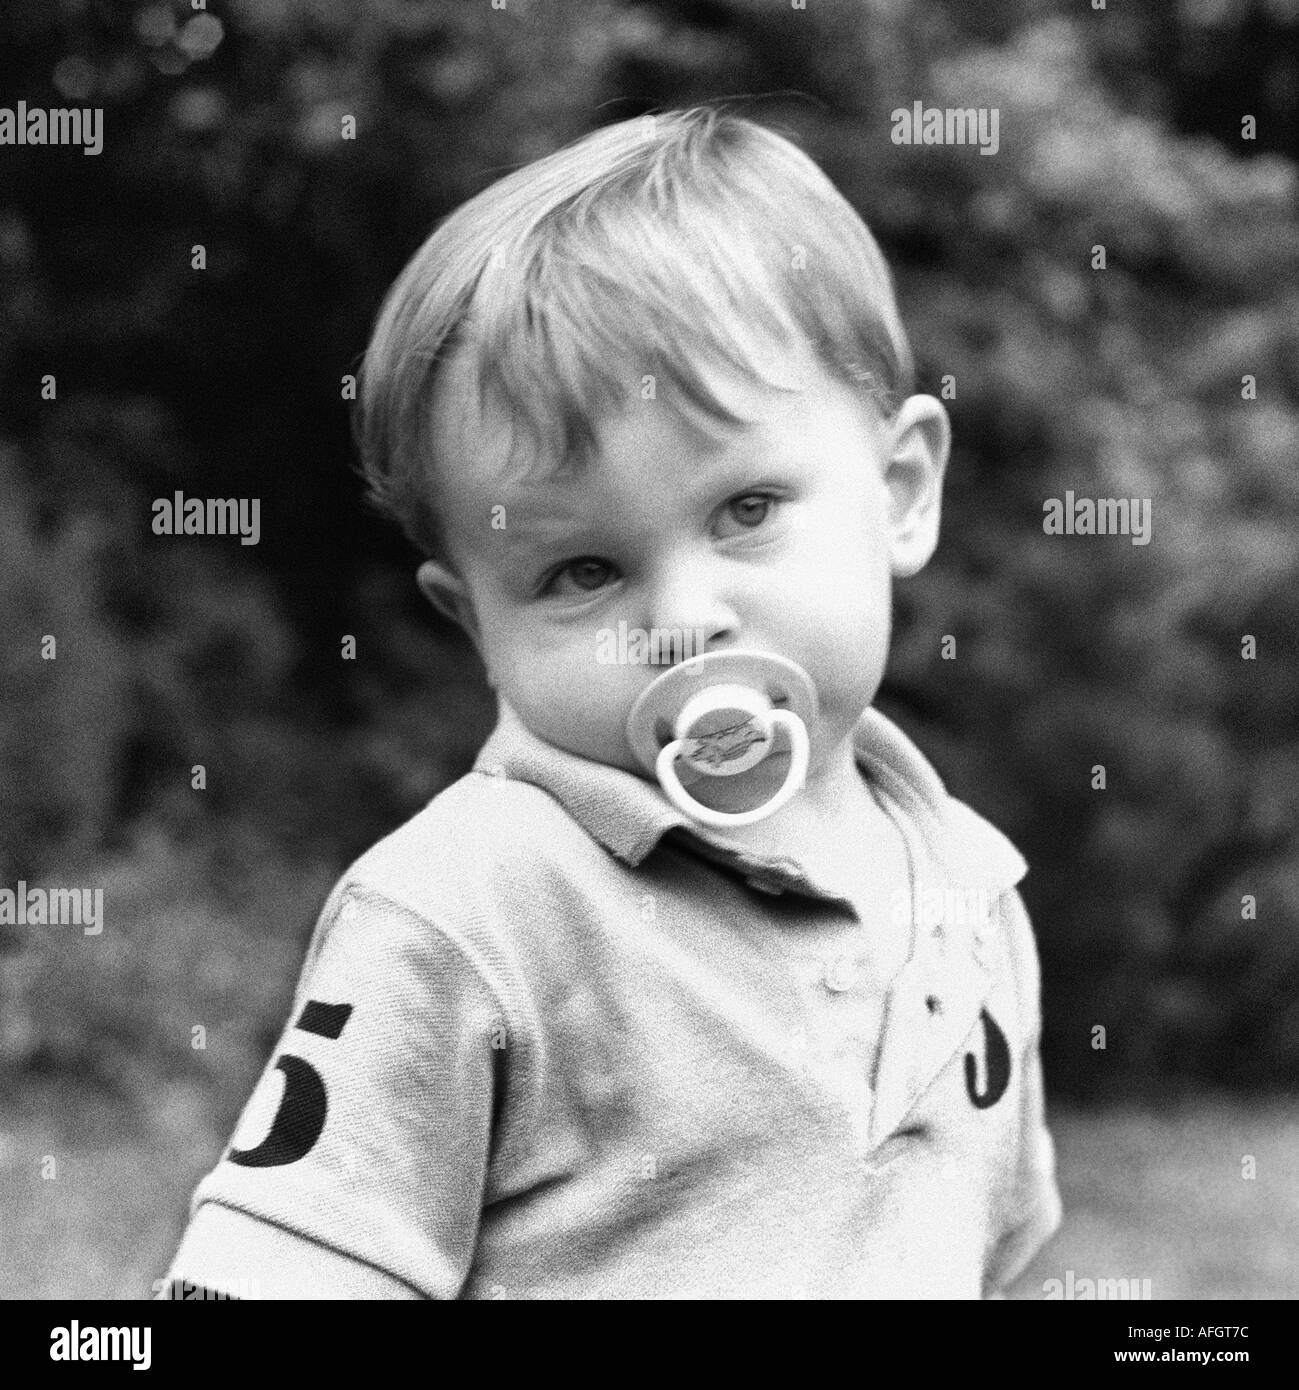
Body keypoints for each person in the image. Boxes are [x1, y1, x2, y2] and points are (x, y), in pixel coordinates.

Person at [160, 105, 1061, 1299]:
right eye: (582, 572)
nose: (685, 620)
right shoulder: (463, 910)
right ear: (476, 622)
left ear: (900, 490)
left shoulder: (973, 888)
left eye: (745, 509)